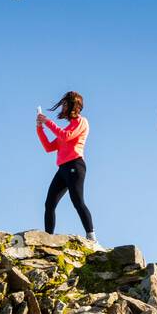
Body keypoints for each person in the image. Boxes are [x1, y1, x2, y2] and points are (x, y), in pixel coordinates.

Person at [36, 91, 96, 242]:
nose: (62, 107)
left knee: (77, 201)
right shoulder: (67, 128)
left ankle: (91, 237)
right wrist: (40, 128)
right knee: (49, 203)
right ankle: (48, 238)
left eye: (64, 104)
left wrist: (47, 122)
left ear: (73, 105)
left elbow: (66, 136)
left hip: (75, 165)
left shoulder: (82, 122)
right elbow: (49, 147)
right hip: (63, 169)